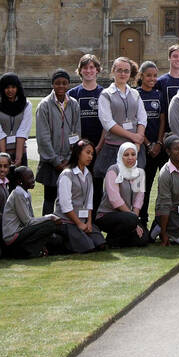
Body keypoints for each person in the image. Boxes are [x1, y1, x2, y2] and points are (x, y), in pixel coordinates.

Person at [94, 57, 147, 186]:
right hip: (114, 148)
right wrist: (133, 136)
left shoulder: (135, 94)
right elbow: (108, 123)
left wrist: (138, 141)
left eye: (126, 71)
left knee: (134, 188)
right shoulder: (106, 94)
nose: (123, 74)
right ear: (113, 71)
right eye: (119, 70)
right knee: (113, 189)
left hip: (134, 150)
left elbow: (142, 118)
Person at [35, 69, 79, 217]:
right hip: (50, 160)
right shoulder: (44, 105)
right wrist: (56, 161)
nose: (61, 86)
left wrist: (70, 158)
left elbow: (76, 132)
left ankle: (65, 227)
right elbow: (43, 137)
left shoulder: (73, 104)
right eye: (57, 83)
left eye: (64, 83)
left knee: (67, 197)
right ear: (52, 84)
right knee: (49, 197)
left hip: (68, 159)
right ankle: (47, 227)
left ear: (68, 85)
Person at [54, 140, 107, 253]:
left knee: (100, 244)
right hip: (66, 221)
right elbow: (65, 205)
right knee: (88, 248)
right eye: (87, 152)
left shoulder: (88, 174)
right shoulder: (67, 174)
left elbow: (89, 202)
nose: (90, 156)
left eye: (92, 154)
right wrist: (79, 223)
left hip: (82, 221)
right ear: (78, 153)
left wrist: (88, 222)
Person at [0, 166, 63, 259]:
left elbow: (32, 218)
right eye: (29, 178)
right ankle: (28, 251)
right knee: (51, 225)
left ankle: (35, 249)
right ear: (19, 181)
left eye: (33, 177)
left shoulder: (26, 194)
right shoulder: (18, 194)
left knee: (57, 239)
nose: (33, 180)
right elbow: (28, 222)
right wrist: (49, 217)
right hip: (13, 235)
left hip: (23, 231)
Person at [96, 142, 152, 248]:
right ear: (120, 156)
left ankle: (117, 240)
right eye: (126, 155)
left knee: (144, 239)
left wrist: (134, 217)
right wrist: (133, 219)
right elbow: (114, 199)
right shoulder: (113, 170)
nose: (130, 158)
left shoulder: (139, 173)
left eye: (133, 154)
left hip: (128, 217)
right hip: (107, 215)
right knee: (131, 221)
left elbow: (139, 200)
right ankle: (113, 239)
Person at [136, 61, 168, 230]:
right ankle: (142, 220)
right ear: (141, 76)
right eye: (149, 75)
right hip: (144, 147)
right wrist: (148, 144)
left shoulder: (159, 94)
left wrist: (159, 142)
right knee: (144, 187)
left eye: (155, 75)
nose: (152, 78)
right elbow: (136, 122)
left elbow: (162, 119)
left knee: (164, 186)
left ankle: (162, 222)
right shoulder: (135, 94)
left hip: (159, 147)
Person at [70, 54, 104, 205]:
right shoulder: (72, 94)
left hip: (99, 147)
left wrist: (99, 146)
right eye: (85, 67)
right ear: (80, 70)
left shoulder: (104, 93)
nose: (88, 71)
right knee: (78, 184)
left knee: (97, 185)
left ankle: (95, 220)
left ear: (97, 70)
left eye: (92, 67)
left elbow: (107, 124)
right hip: (79, 148)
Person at [0, 72, 32, 168]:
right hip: (0, 153)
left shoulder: (26, 105)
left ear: (18, 88)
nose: (10, 90)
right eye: (7, 87)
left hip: (20, 151)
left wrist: (19, 158)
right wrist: (4, 159)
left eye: (13, 87)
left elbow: (23, 130)